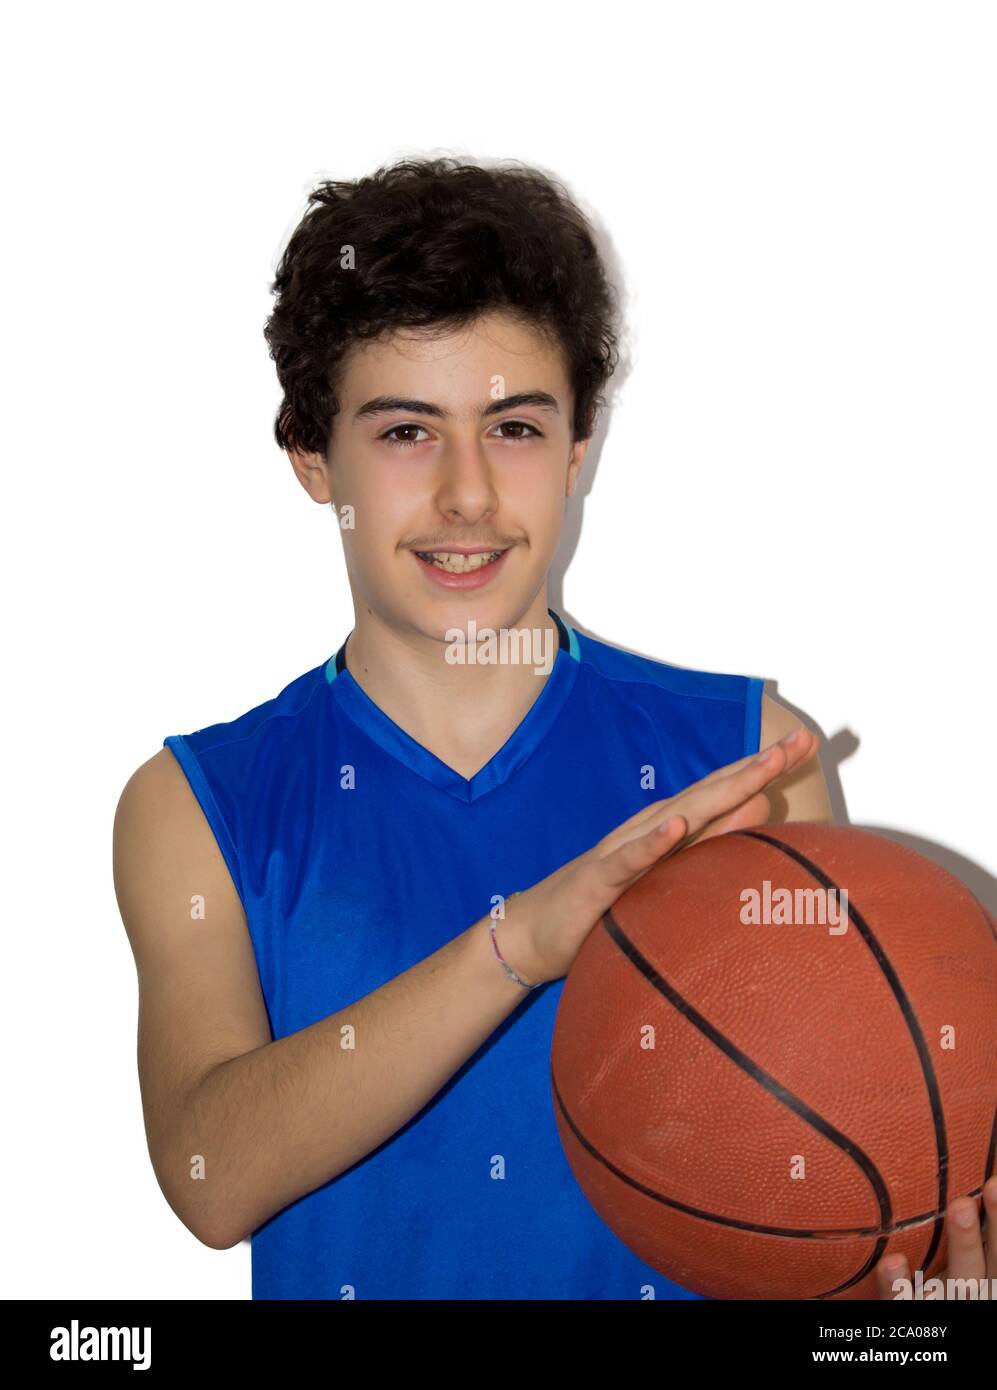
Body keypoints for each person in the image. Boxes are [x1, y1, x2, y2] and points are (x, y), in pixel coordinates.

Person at [113, 156, 993, 1300]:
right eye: (405, 433)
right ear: (311, 457)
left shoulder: (742, 763)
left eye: (516, 428)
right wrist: (516, 944)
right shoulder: (198, 802)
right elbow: (208, 1176)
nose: (469, 495)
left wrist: (902, 1322)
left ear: (578, 448)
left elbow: (809, 1209)